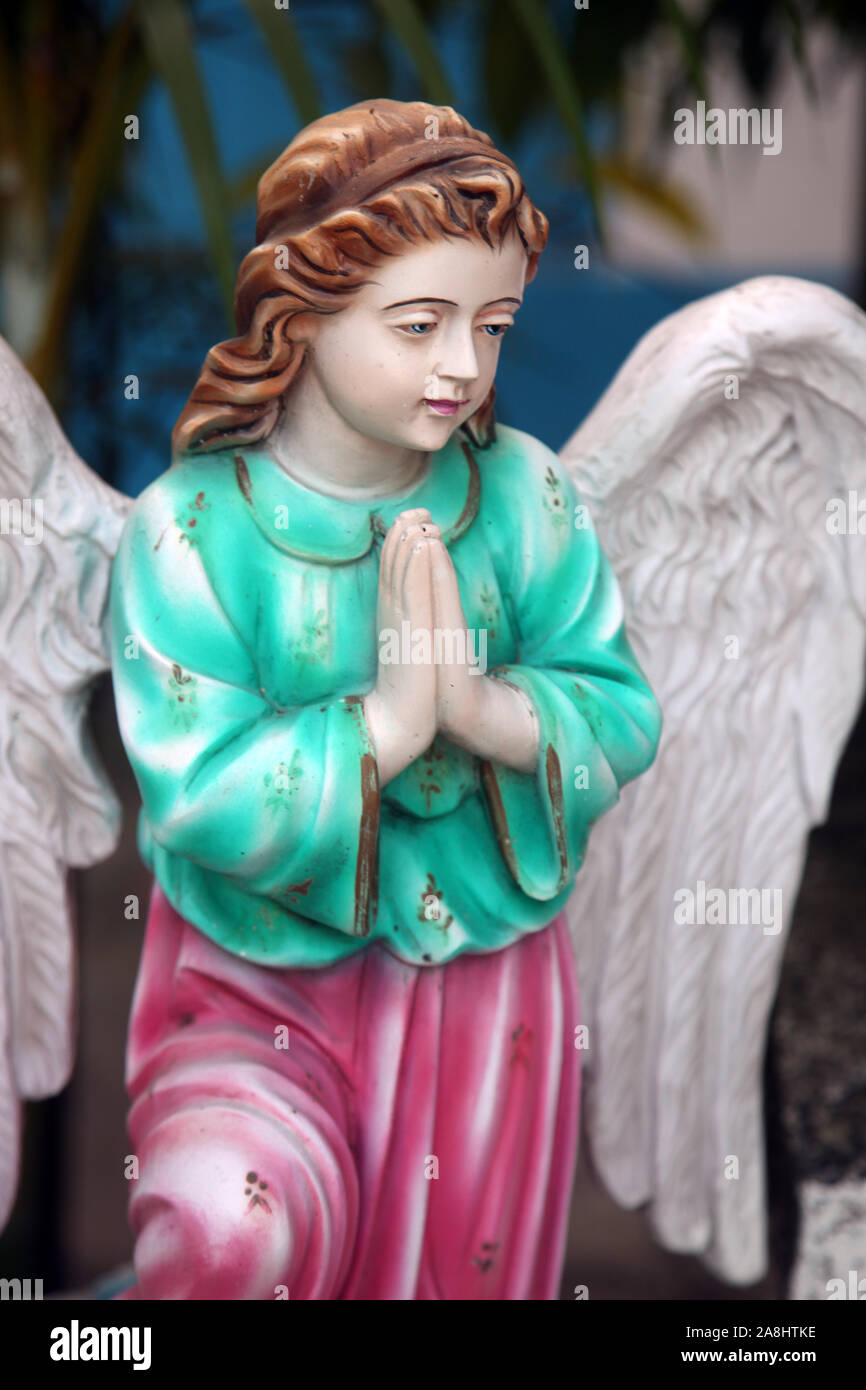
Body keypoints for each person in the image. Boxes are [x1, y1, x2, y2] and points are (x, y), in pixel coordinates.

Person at [110, 98, 662, 1300]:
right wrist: (385, 729)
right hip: (256, 1002)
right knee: (223, 1237)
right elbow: (192, 787)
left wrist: (475, 708)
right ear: (298, 312)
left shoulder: (523, 497)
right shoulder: (194, 531)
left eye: (493, 326)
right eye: (418, 324)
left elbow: (618, 711)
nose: (462, 366)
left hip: (486, 1002)